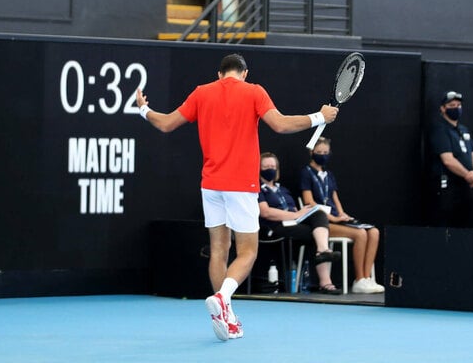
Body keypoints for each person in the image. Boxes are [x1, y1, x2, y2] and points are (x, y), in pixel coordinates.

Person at [133, 53, 339, 342]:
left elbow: (166, 123)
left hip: (211, 185)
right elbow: (280, 125)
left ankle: (225, 315)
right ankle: (223, 298)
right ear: (244, 73)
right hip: (241, 186)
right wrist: (320, 116)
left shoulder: (202, 92)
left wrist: (143, 109)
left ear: (219, 74)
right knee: (248, 252)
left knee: (219, 249)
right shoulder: (254, 90)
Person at [298, 137, 384, 294]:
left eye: (325, 152)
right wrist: (334, 219)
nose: (322, 155)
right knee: (360, 234)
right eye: (319, 152)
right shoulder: (306, 173)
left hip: (337, 219)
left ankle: (367, 277)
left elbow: (335, 198)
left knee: (374, 232)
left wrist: (343, 215)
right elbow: (309, 202)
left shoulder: (329, 174)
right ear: (311, 152)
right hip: (321, 223)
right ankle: (359, 279)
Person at [257, 151, 341, 294]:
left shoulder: (283, 189)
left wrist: (303, 212)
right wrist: (295, 215)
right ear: (259, 169)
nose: (270, 169)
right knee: (315, 234)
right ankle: (325, 282)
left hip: (294, 222)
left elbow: (295, 209)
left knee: (318, 214)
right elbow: (266, 212)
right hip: (275, 226)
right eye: (266, 166)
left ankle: (323, 250)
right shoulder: (257, 190)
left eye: (273, 166)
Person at [430, 91, 473, 228]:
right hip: (449, 187)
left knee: (467, 222)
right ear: (443, 108)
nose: (456, 108)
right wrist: (467, 174)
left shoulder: (463, 130)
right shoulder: (440, 130)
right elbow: (447, 160)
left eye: (458, 105)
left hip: (466, 186)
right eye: (452, 105)